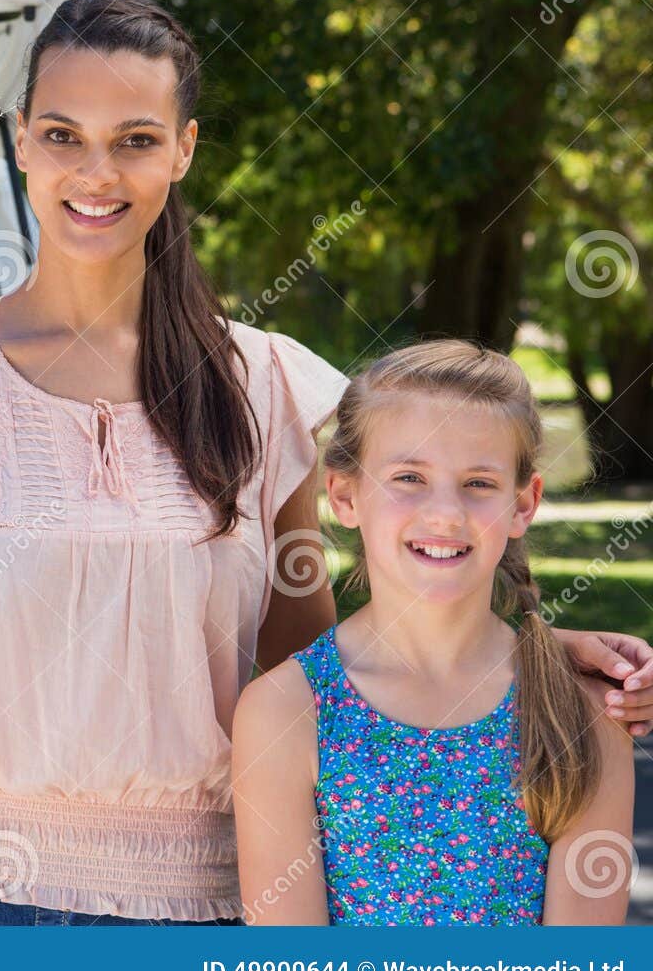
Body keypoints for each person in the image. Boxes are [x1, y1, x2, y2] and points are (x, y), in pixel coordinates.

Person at [0, 0, 653, 927]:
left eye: (136, 138)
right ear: (19, 140)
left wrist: (525, 656)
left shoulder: (265, 388)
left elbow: (319, 672)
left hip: (213, 916)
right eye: (63, 134)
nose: (97, 171)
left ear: (183, 150)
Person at [231, 340, 634, 925]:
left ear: (523, 504)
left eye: (478, 484)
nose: (445, 513)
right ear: (344, 494)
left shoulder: (584, 710)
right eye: (409, 476)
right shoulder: (286, 711)